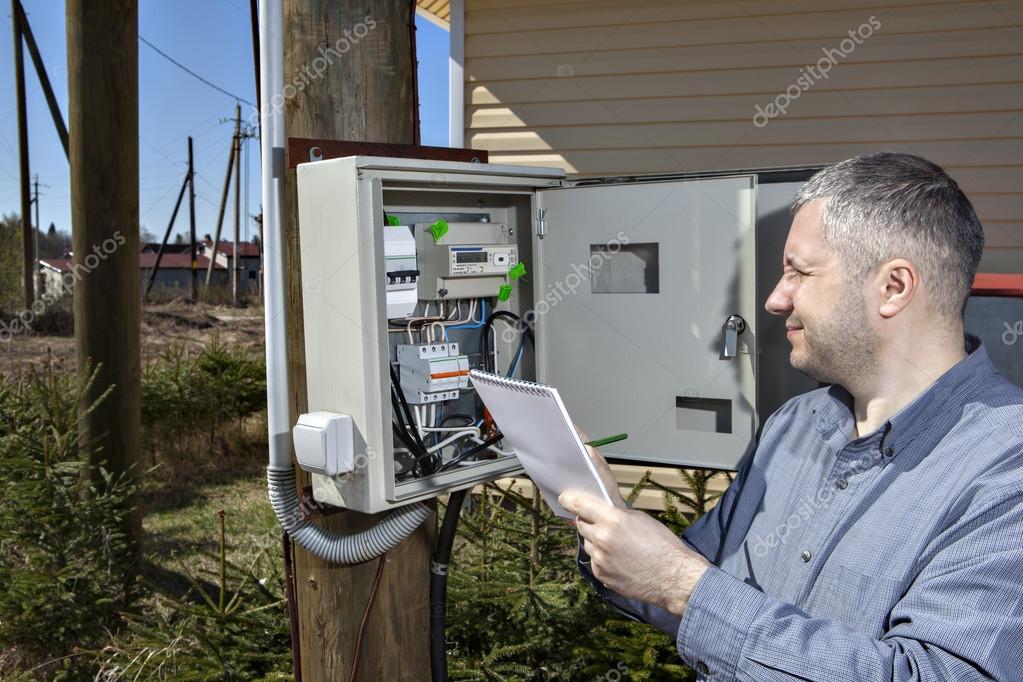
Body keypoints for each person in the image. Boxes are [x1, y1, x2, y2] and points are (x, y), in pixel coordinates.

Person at [561, 153, 1023, 681]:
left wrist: (681, 585)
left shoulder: (1005, 470)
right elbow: (694, 579)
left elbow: (932, 674)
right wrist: (608, 520)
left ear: (894, 287)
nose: (775, 300)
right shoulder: (795, 424)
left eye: (799, 272)